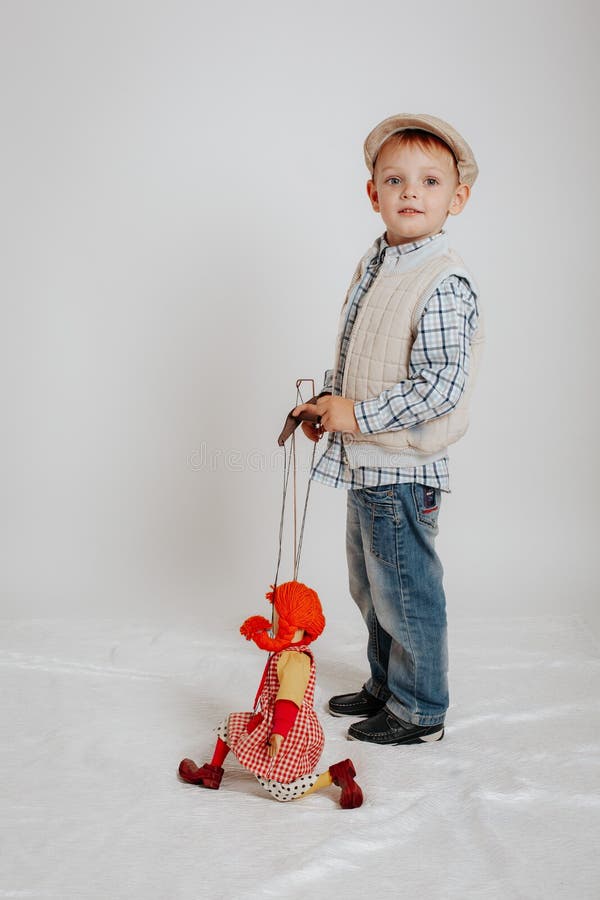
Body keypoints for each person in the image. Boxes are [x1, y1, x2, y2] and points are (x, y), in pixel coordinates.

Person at [292, 113, 483, 746]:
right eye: (395, 179)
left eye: (430, 182)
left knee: (407, 592)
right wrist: (330, 401)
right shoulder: (381, 262)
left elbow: (440, 387)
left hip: (402, 466)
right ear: (372, 193)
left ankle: (420, 708)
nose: (410, 193)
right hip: (368, 462)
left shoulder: (441, 282)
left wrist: (359, 416)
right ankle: (387, 683)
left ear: (457, 198)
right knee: (372, 586)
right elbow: (362, 351)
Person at [178, 580, 363, 808]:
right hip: (272, 718)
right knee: (230, 724)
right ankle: (212, 771)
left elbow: (289, 698)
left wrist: (279, 733)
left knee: (282, 790)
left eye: (276, 617)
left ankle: (335, 775)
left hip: (288, 727)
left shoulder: (294, 659)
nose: (273, 623)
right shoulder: (288, 652)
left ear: (289, 621)